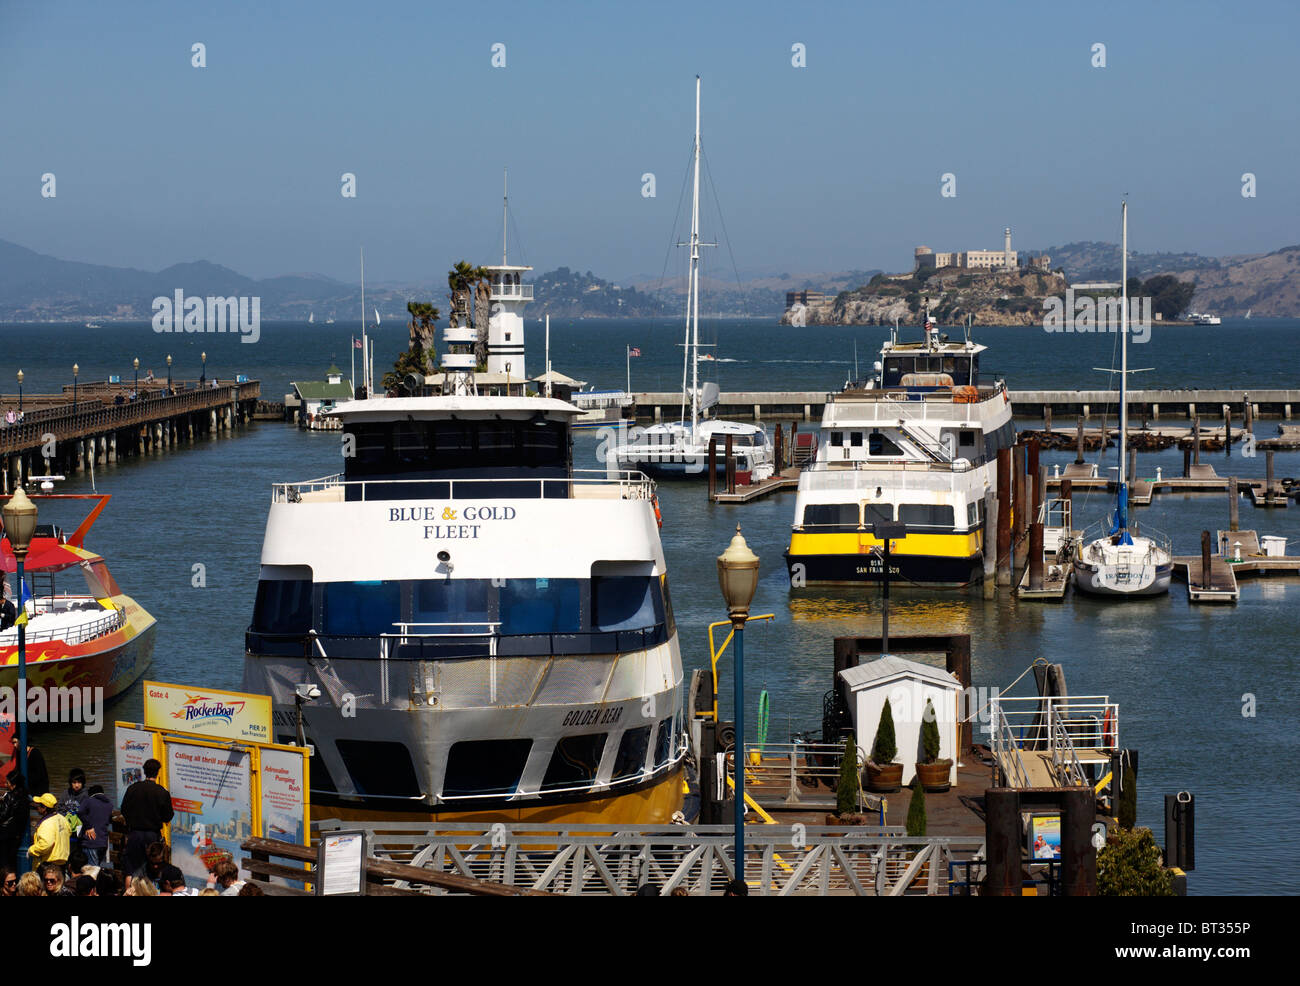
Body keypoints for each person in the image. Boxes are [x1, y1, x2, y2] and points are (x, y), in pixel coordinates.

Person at [120, 758, 173, 875]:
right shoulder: (162, 792)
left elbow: (123, 809)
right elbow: (168, 816)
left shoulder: (132, 789)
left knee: (131, 870)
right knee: (152, 869)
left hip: (134, 835)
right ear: (158, 772)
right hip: (152, 836)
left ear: (144, 771)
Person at [28, 793, 70, 868]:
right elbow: (68, 832)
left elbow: (45, 844)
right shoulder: (62, 818)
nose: (37, 807)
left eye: (38, 805)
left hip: (48, 863)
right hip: (62, 862)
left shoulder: (46, 823)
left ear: (44, 808)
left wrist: (31, 850)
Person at [78, 783, 113, 868]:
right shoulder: (109, 804)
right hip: (103, 842)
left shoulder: (88, 801)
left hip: (91, 841)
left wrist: (89, 827)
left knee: (92, 870)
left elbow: (80, 812)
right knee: (97, 867)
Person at [0, 771, 27, 870]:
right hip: (17, 834)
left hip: (5, 834)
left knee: (3, 862)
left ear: (14, 784)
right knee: (11, 862)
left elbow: (3, 815)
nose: (5, 785)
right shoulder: (24, 795)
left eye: (7, 783)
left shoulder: (10, 796)